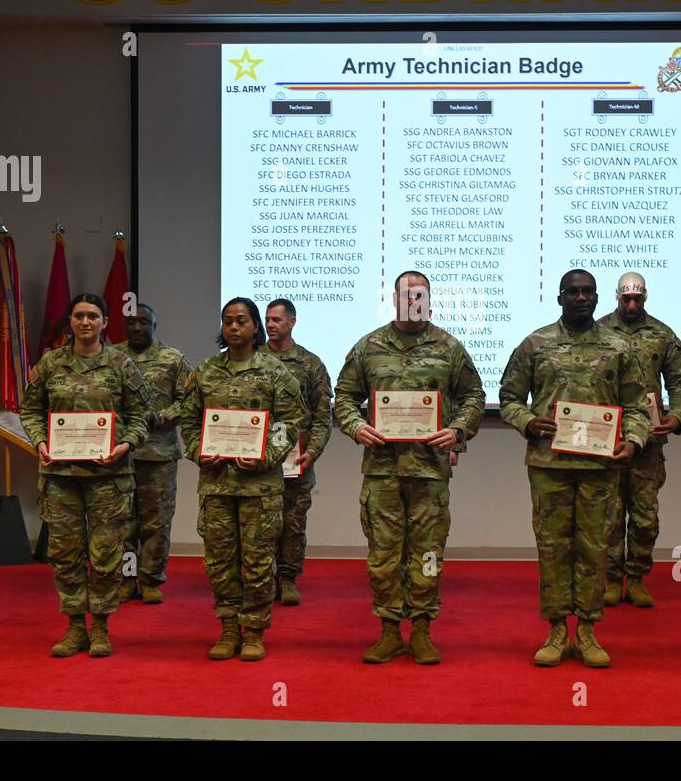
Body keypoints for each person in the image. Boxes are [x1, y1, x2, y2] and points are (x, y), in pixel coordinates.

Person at [498, 269, 648, 668]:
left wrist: (633, 441)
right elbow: (509, 397)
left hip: (600, 467)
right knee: (553, 548)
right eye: (573, 292)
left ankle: (587, 629)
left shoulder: (619, 347)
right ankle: (556, 629)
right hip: (550, 465)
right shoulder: (535, 344)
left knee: (594, 549)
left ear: (598, 299)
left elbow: (637, 405)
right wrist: (527, 422)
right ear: (560, 298)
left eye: (588, 292)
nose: (581, 298)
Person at [333, 271, 484, 665]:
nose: (413, 301)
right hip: (382, 472)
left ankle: (421, 629)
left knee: (428, 554)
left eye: (420, 295)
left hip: (429, 473)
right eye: (406, 294)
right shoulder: (369, 347)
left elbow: (473, 395)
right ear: (394, 299)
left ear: (429, 300)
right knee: (383, 555)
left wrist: (458, 429)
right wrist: (355, 425)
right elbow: (344, 396)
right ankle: (387, 630)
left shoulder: (449, 347)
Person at [20, 293, 150, 658]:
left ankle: (102, 628)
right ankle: (75, 626)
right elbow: (29, 409)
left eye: (93, 316)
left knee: (106, 554)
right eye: (78, 316)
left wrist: (126, 443)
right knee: (65, 554)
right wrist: (40, 441)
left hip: (109, 477)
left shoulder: (121, 365)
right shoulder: (50, 364)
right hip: (60, 475)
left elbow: (141, 414)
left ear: (105, 322)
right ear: (70, 322)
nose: (85, 322)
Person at [180, 298, 304, 661]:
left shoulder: (274, 371)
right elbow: (189, 421)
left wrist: (265, 456)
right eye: (228, 322)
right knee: (219, 560)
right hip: (217, 484)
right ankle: (228, 626)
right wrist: (198, 451)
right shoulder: (205, 372)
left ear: (255, 327)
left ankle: (253, 630)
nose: (234, 328)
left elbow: (290, 420)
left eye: (242, 321)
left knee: (259, 560)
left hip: (259, 487)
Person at [598, 271, 681, 607]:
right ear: (617, 297)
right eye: (627, 298)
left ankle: (635, 578)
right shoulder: (599, 331)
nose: (632, 304)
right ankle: (609, 579)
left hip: (649, 441)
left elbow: (678, 382)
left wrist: (677, 415)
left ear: (646, 297)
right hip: (608, 436)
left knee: (644, 516)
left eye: (638, 298)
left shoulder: (663, 335)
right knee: (608, 514)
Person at [120, 303, 193, 604]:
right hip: (118, 455)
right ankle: (125, 579)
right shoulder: (111, 357)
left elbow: (188, 401)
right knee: (122, 522)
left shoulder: (173, 359)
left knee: (156, 521)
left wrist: (158, 417)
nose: (137, 328)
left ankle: (150, 579)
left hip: (159, 454)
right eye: (132, 322)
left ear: (154, 326)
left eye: (144, 322)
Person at [263, 298, 333, 606]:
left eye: (277, 319)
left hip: (297, 457)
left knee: (292, 520)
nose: (270, 324)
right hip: (257, 456)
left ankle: (288, 577)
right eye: (267, 319)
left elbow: (322, 415)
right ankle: (262, 578)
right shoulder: (251, 359)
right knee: (260, 520)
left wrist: (314, 451)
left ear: (292, 322)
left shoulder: (311, 364)